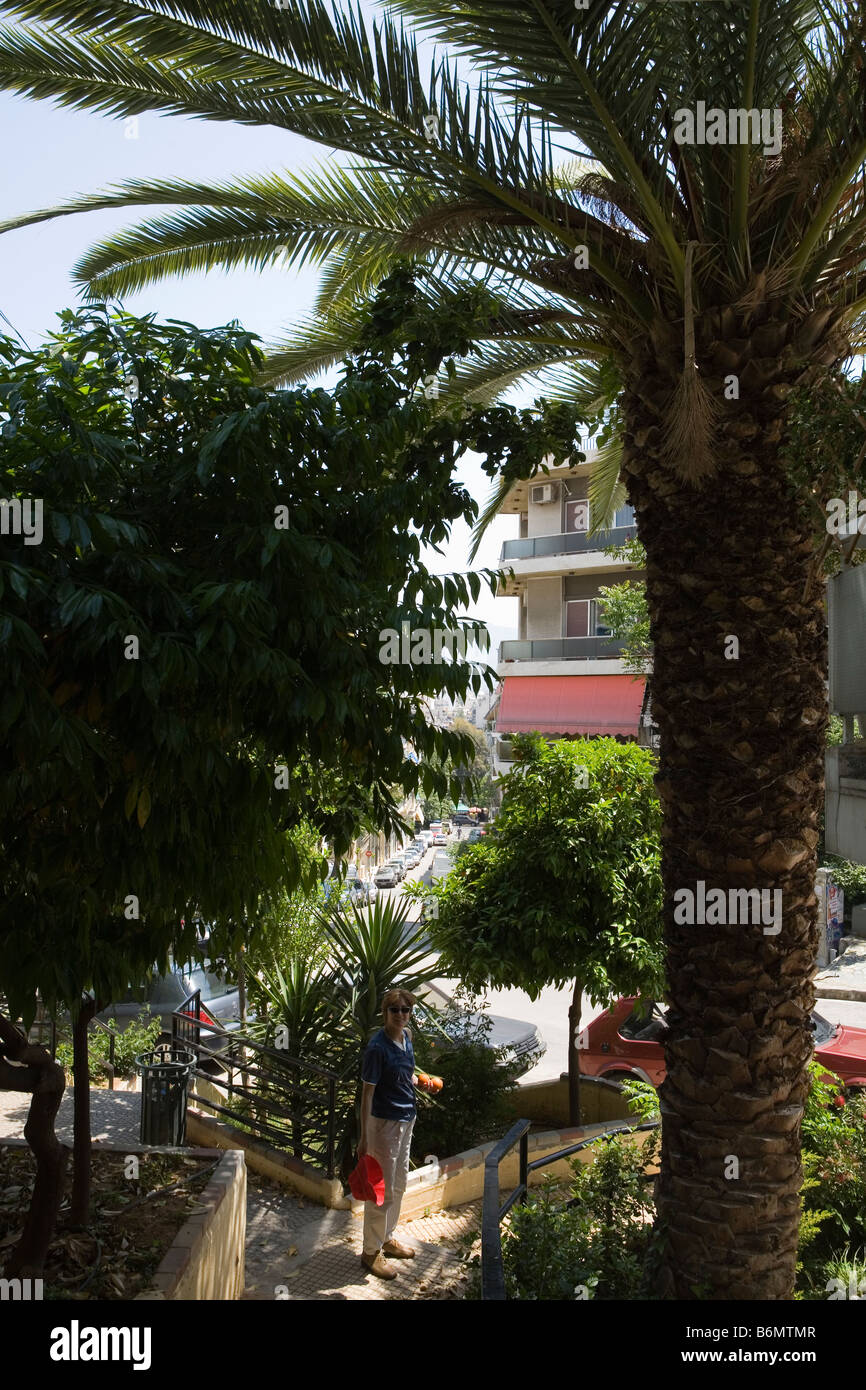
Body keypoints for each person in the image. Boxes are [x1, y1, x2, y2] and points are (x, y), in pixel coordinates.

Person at [357, 987, 418, 1279]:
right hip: (383, 1125)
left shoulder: (407, 1038)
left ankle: (386, 1239)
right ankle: (370, 1252)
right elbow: (367, 1094)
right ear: (385, 1012)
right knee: (381, 1192)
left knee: (399, 1184)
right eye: (395, 1010)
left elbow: (406, 1074)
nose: (401, 1015)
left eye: (405, 1010)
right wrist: (364, 1136)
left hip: (407, 1118)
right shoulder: (377, 1048)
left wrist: (420, 1080)